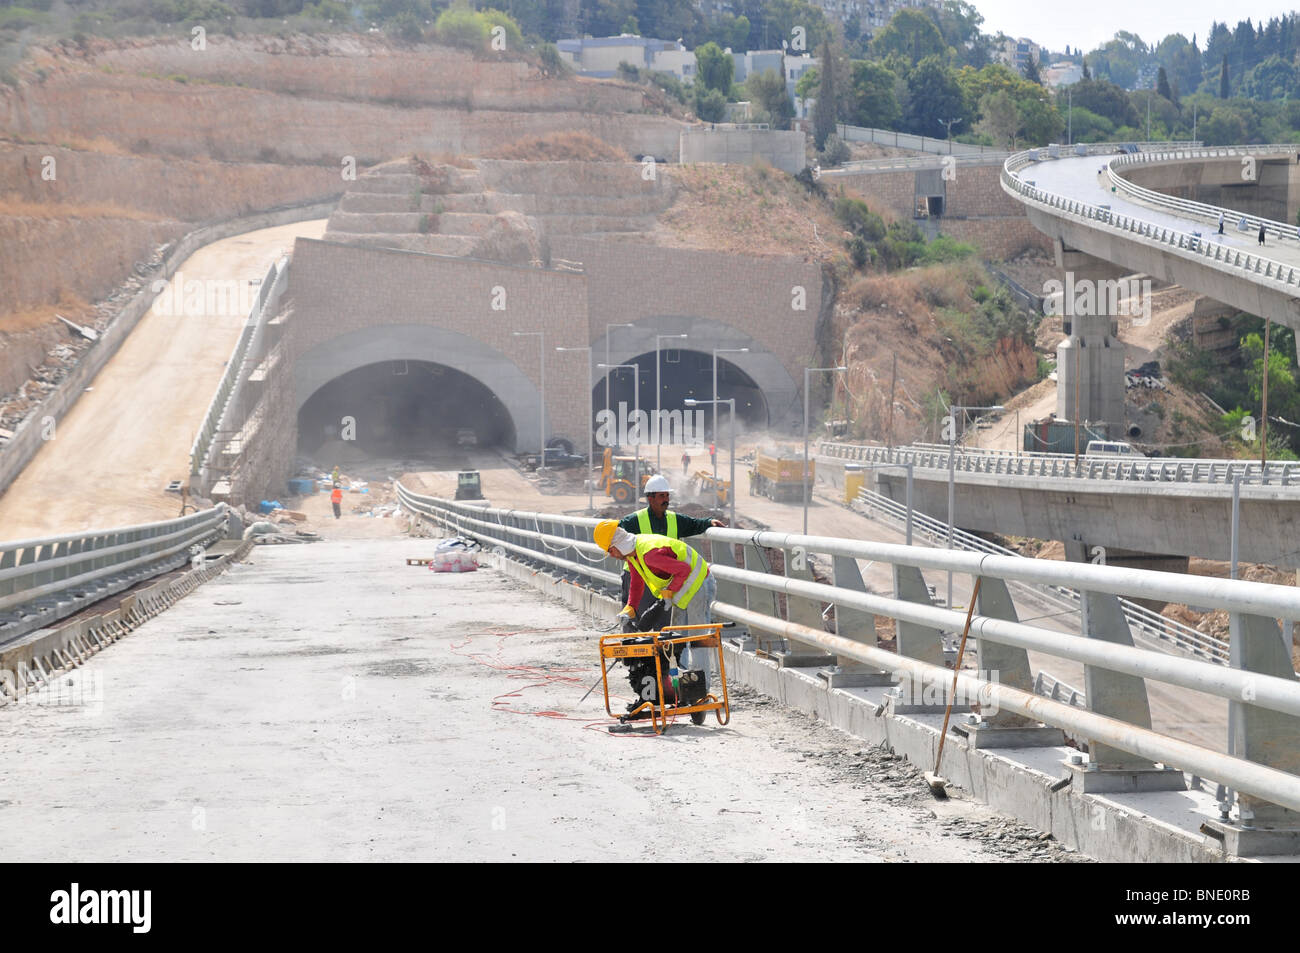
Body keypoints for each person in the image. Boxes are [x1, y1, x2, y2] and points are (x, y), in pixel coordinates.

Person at [594, 519, 718, 683]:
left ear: (618, 545)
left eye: (610, 550)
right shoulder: (633, 554)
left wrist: (667, 593)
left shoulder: (649, 555)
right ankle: (681, 684)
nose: (611, 555)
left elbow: (684, 570)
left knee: (697, 639)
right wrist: (630, 607)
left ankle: (702, 687)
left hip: (699, 581)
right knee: (676, 639)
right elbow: (637, 583)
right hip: (683, 585)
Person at [616, 474, 724, 616]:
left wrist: (709, 522)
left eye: (667, 495)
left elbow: (693, 524)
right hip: (637, 577)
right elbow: (616, 537)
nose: (666, 499)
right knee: (634, 622)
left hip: (665, 580)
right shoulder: (633, 521)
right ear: (650, 498)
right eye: (662, 496)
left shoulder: (674, 519)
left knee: (663, 625)